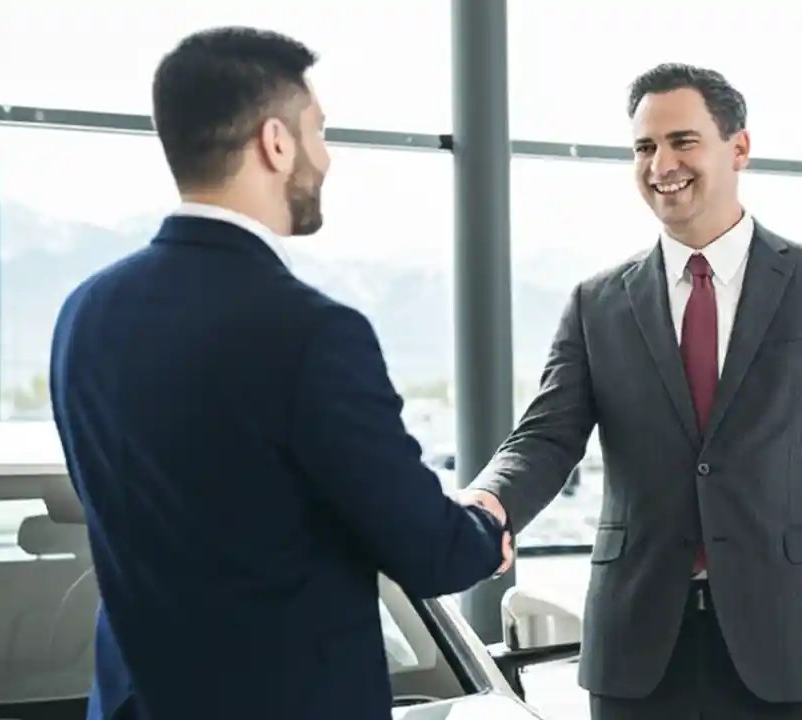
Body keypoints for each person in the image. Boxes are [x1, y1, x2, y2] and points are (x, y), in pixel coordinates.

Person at [49, 27, 510, 720]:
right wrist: (483, 526)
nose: (325, 157)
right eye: (318, 132)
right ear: (275, 142)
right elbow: (428, 552)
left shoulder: (84, 315)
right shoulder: (311, 332)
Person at [463, 63, 802, 720]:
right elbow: (546, 435)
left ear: (738, 148)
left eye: (682, 141)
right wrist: (490, 500)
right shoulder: (597, 303)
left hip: (795, 652)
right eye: (644, 147)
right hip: (639, 655)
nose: (661, 164)